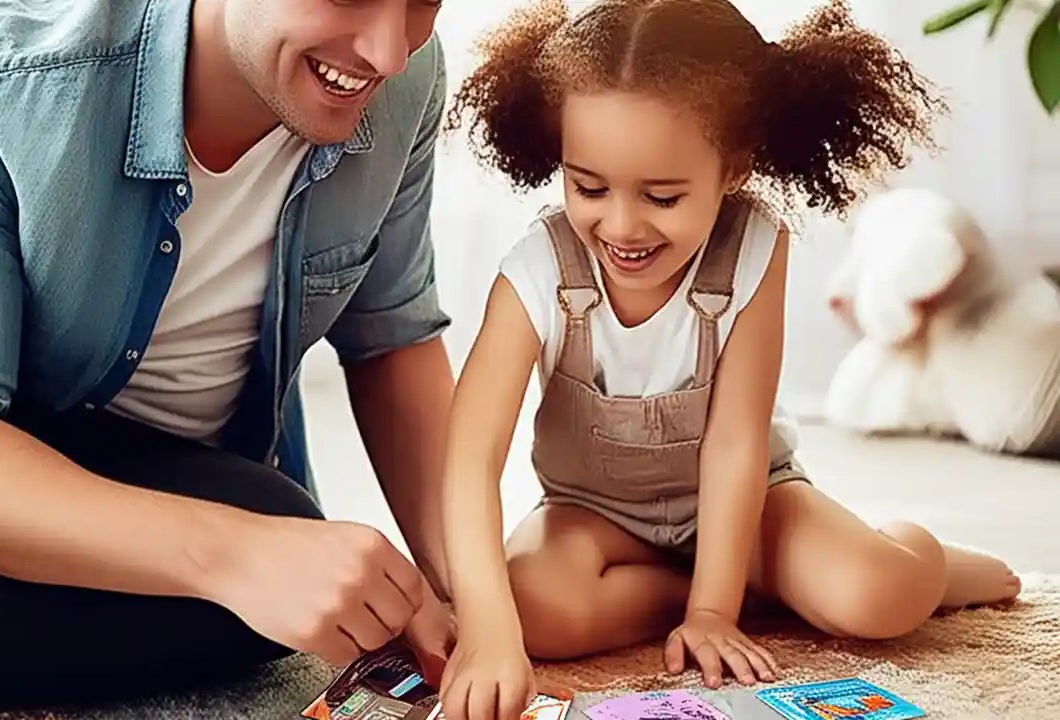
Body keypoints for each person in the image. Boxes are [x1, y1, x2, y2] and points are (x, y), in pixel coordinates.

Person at [0, 0, 457, 715]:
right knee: (258, 542)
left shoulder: (405, 82)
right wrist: (234, 555)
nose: (388, 50)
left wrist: (469, 588)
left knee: (269, 531)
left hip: (182, 486)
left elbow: (391, 341)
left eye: (422, 2)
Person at [434, 1, 1023, 719]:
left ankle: (928, 564)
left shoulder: (753, 249)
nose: (619, 225)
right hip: (592, 513)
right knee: (531, 609)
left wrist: (714, 609)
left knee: (876, 596)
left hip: (750, 501)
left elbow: (737, 440)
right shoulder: (537, 271)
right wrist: (491, 631)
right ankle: (757, 589)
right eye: (588, 186)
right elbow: (470, 456)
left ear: (733, 168)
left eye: (662, 196)